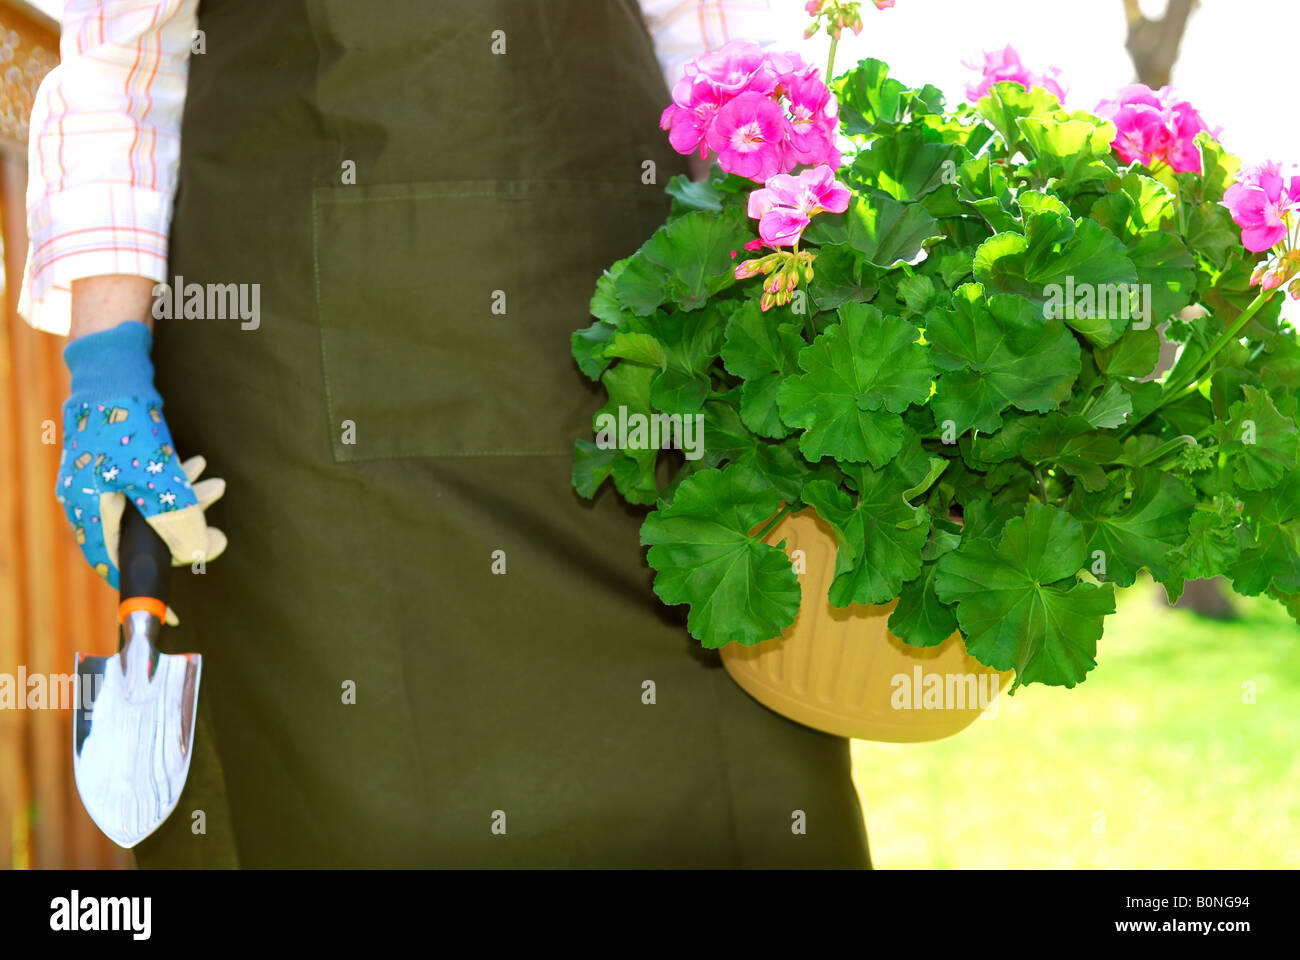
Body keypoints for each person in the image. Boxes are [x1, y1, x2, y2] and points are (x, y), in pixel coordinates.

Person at [23, 0, 870, 868]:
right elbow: (125, 64)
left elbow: (721, 31)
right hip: (302, 412)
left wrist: (804, 262)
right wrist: (106, 367)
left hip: (643, 350)